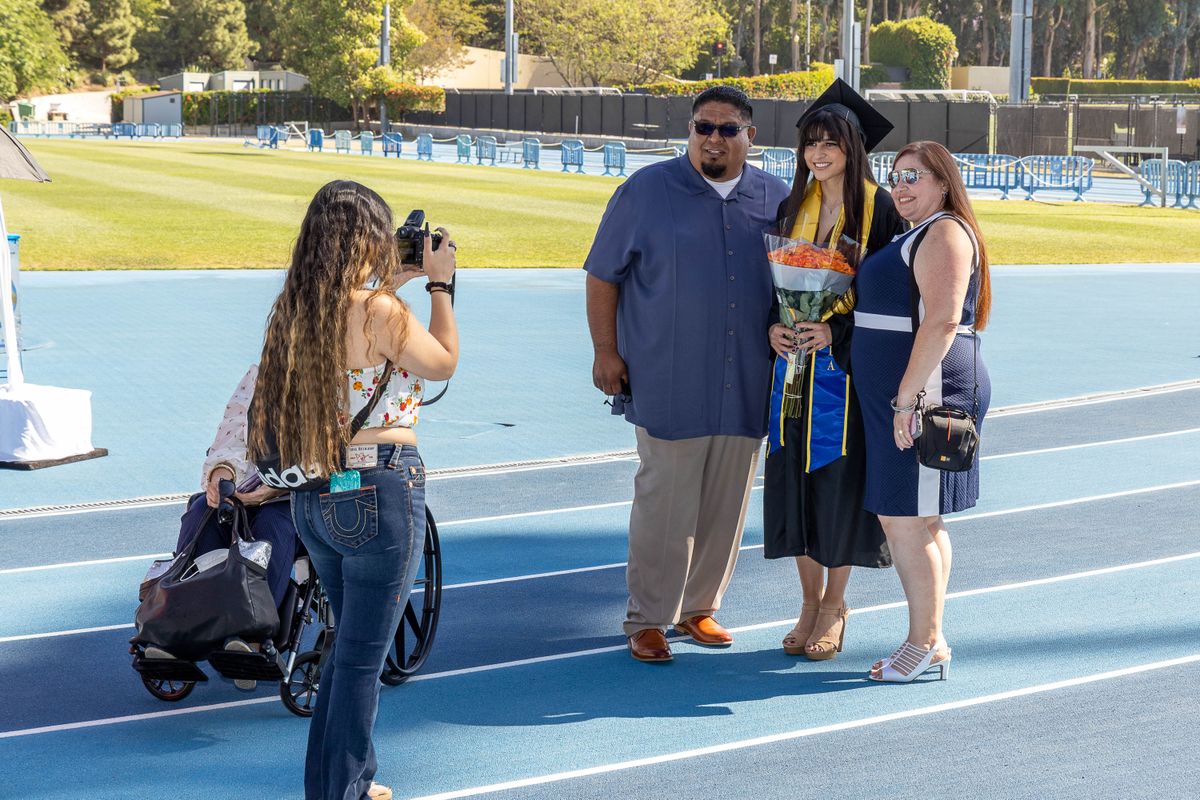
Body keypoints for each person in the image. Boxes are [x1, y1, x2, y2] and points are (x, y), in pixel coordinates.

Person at [249, 180, 458, 800]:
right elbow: (442, 362)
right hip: (381, 488)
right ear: (370, 237)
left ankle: (344, 779)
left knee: (348, 652)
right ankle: (336, 790)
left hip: (317, 495)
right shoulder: (380, 310)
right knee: (363, 661)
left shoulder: (295, 310)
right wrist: (441, 285)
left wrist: (395, 283)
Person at [584, 85, 790, 663]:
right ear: (690, 132)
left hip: (747, 377)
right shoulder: (645, 191)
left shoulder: (777, 199)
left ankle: (701, 607)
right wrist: (606, 352)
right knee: (664, 503)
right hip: (667, 375)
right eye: (704, 127)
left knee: (726, 503)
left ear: (750, 136)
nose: (714, 139)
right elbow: (603, 276)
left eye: (728, 129)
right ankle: (648, 617)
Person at [763, 79, 905, 661]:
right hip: (792, 367)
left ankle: (835, 604)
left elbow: (895, 295)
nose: (818, 155)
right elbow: (772, 291)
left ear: (853, 149)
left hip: (845, 375)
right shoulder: (793, 208)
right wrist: (774, 327)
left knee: (838, 485)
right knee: (793, 480)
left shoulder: (883, 210)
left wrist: (835, 330)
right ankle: (807, 599)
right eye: (809, 144)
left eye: (831, 144)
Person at [850, 141, 992, 683]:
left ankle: (922, 641)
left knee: (905, 518)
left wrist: (907, 400)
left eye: (914, 176)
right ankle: (932, 633)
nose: (901, 186)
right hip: (904, 390)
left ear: (942, 182)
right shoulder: (913, 233)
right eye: (895, 176)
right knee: (918, 517)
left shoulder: (946, 231)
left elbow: (941, 321)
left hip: (926, 391)